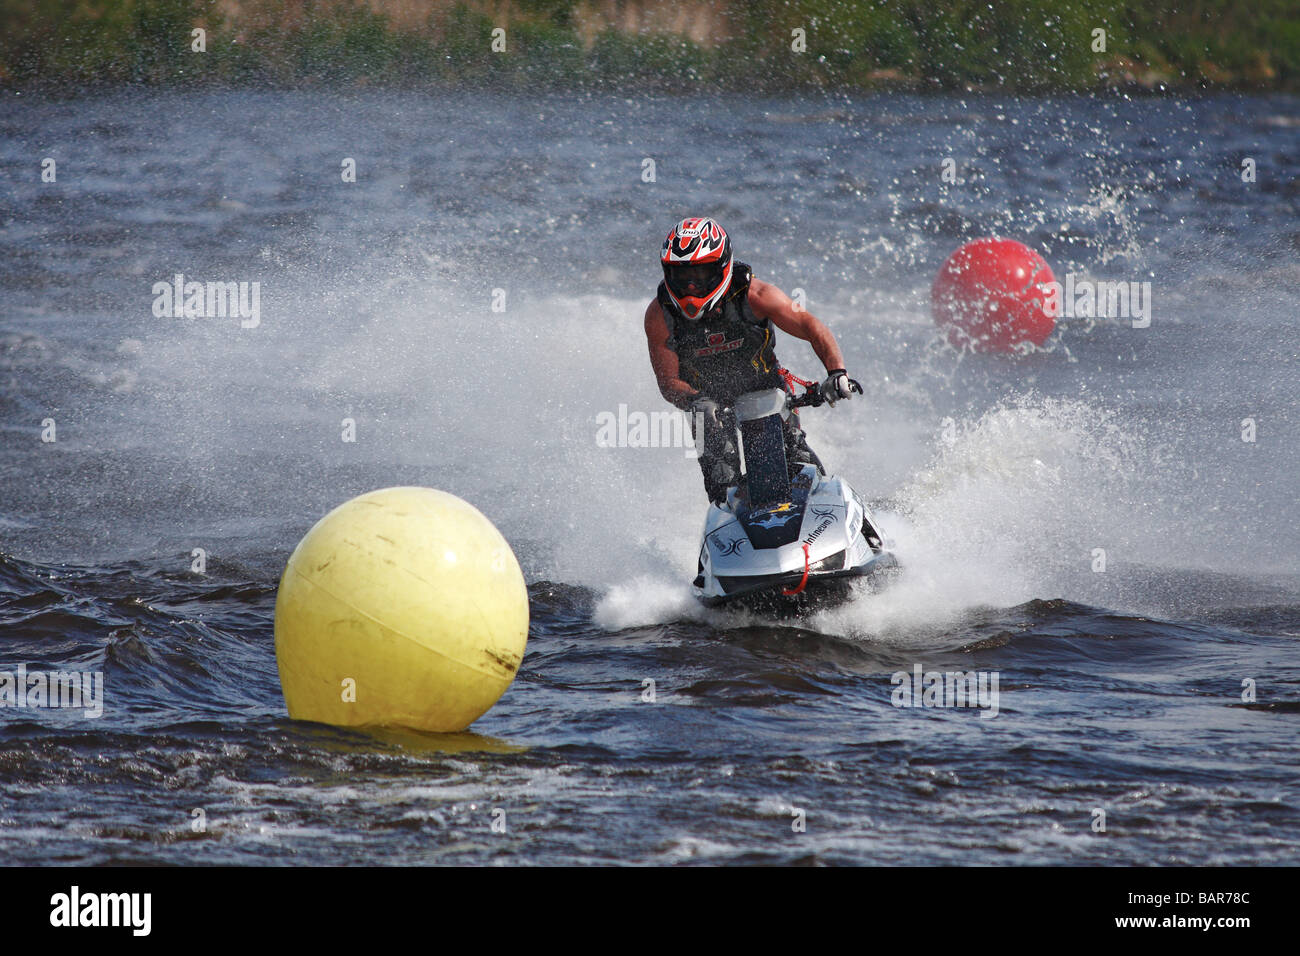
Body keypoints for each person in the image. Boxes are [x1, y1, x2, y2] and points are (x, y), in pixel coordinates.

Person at [644, 216, 857, 504]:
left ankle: (838, 518)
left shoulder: (758, 295)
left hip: (765, 388)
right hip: (705, 400)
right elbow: (669, 382)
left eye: (701, 275)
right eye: (682, 277)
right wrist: (701, 404)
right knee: (722, 483)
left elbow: (811, 327)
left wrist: (836, 373)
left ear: (722, 268)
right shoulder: (660, 314)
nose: (691, 287)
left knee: (799, 466)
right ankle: (731, 532)